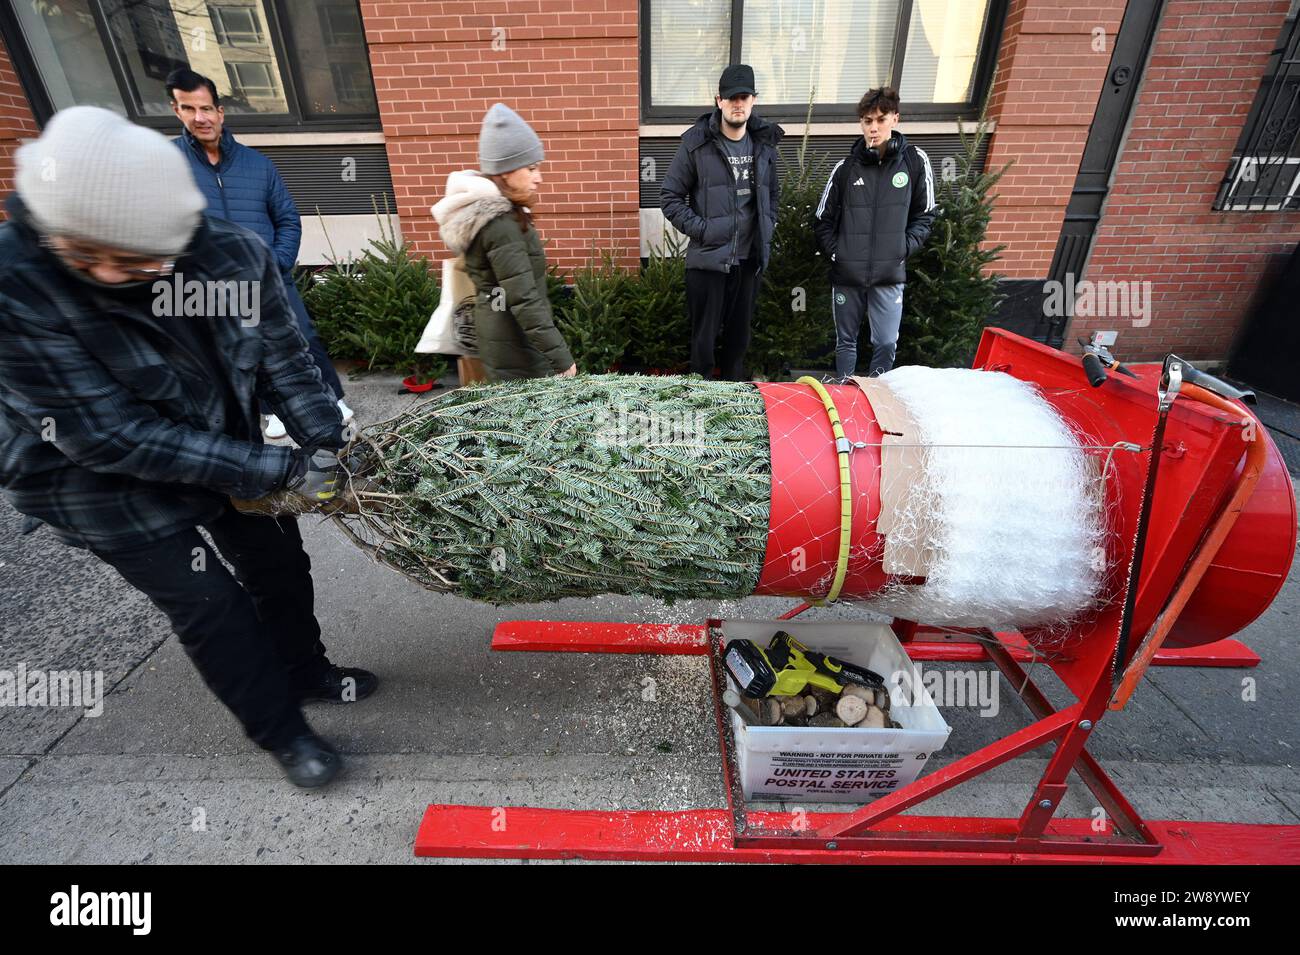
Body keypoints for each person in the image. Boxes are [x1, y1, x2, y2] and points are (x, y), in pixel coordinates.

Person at [0, 107, 375, 789]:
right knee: (210, 601)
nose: (124, 273)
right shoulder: (16, 285)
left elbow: (284, 362)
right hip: (91, 479)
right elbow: (109, 436)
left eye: (147, 260)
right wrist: (283, 467)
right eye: (98, 259)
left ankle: (305, 670)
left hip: (220, 439)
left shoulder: (230, 253)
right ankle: (284, 733)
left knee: (278, 560)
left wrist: (326, 444)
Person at [166, 68, 353, 437]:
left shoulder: (258, 165)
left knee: (303, 337)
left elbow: (288, 219)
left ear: (220, 112)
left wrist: (278, 263)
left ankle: (333, 398)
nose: (199, 118)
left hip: (271, 278)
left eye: (206, 108)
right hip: (210, 287)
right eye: (189, 109)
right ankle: (273, 411)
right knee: (241, 350)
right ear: (177, 112)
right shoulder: (167, 165)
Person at [432, 103, 576, 381]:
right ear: (506, 171)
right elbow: (523, 298)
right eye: (532, 168)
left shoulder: (496, 215)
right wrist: (560, 358)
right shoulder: (500, 224)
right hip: (515, 344)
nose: (539, 178)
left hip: (505, 334)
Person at [660, 64, 783, 381]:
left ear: (753, 100)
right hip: (708, 263)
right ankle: (700, 406)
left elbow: (772, 194)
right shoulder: (696, 144)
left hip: (748, 260)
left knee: (738, 343)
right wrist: (704, 231)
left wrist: (767, 226)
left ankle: (733, 416)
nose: (737, 104)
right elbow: (670, 197)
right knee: (703, 344)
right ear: (719, 101)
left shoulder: (763, 144)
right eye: (731, 98)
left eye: (743, 97)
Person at [814, 86, 937, 378]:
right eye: (867, 121)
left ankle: (875, 403)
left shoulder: (915, 162)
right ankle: (843, 397)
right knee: (846, 342)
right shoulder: (845, 168)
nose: (873, 127)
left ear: (895, 119)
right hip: (848, 274)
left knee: (885, 341)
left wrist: (901, 249)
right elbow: (822, 219)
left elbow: (926, 214)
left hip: (888, 275)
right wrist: (838, 253)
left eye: (880, 120)